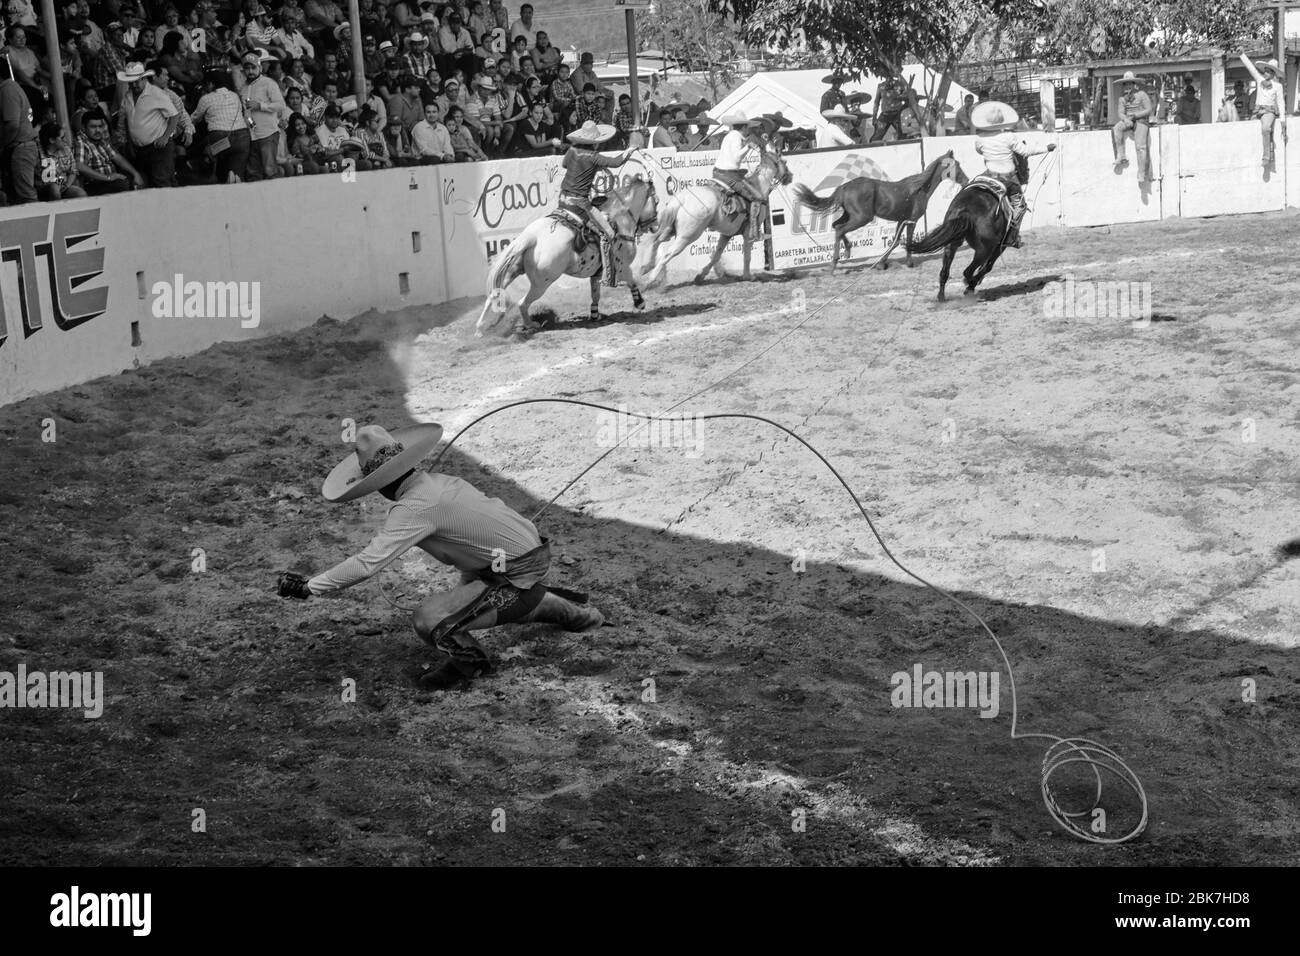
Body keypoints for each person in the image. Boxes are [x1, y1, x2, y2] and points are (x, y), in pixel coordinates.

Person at [275, 424, 604, 691]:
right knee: (474, 599)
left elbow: (367, 563)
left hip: (514, 571)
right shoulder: (437, 483)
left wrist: (310, 586)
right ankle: (573, 612)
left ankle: (472, 662)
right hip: (518, 557)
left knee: (429, 618)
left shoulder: (416, 506)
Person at [971, 100, 1055, 249]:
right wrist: (1046, 148)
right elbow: (1025, 151)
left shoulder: (980, 139)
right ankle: (1011, 236)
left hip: (989, 175)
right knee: (1020, 206)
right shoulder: (1009, 137)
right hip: (1008, 177)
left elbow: (979, 152)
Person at [556, 119, 634, 243]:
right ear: (595, 142)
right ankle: (607, 261)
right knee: (608, 233)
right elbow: (616, 162)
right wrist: (629, 151)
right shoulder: (593, 156)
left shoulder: (572, 150)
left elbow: (565, 164)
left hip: (562, 200)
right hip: (579, 204)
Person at [191, 69, 250, 184]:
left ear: (211, 84)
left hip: (220, 138)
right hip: (242, 137)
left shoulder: (206, 98)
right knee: (237, 175)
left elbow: (194, 119)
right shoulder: (234, 95)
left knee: (205, 153)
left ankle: (209, 180)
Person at [241, 51, 288, 181]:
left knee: (270, 171)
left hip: (268, 133)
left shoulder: (269, 83)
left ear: (260, 68)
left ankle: (276, 199)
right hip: (251, 135)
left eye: (253, 67)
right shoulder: (243, 88)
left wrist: (260, 106)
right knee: (253, 173)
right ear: (243, 70)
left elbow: (280, 105)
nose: (250, 71)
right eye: (247, 68)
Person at [74, 111, 143, 193]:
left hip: (110, 181)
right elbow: (79, 166)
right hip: (95, 184)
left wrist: (135, 173)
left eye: (100, 126)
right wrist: (108, 177)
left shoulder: (101, 140)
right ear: (83, 128)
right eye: (93, 127)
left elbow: (118, 158)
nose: (98, 130)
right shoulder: (81, 142)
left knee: (139, 178)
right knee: (123, 184)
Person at [710, 113, 766, 213]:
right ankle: (752, 227)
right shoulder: (736, 137)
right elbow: (736, 158)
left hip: (718, 172)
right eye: (748, 128)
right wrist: (748, 147)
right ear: (744, 127)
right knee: (755, 197)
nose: (748, 130)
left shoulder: (730, 136)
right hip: (728, 175)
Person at [0, 63, 39, 203]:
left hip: (21, 147)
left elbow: (12, 124)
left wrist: (2, 144)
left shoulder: (7, 89)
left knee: (26, 196)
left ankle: (35, 224)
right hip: (23, 145)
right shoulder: (11, 87)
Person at [1240, 55, 1286, 167]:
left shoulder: (1277, 86)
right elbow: (1251, 68)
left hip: (1268, 111)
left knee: (1265, 128)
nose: (1265, 73)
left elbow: (1281, 103)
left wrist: (1283, 122)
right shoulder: (1260, 80)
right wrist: (1242, 54)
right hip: (1257, 110)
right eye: (1265, 71)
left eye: (1268, 72)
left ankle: (1266, 157)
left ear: (1273, 74)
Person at [1111, 71, 1152, 178]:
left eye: (1129, 83)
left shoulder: (1142, 94)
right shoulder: (1122, 98)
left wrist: (1136, 115)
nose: (1128, 86)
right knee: (1117, 128)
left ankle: (1142, 172)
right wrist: (1125, 119)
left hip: (1141, 121)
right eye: (1125, 84)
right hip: (1129, 120)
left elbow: (1148, 109)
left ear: (1134, 84)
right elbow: (1120, 112)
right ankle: (1121, 155)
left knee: (1140, 146)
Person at [37, 122, 86, 200]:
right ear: (52, 140)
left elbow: (73, 171)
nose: (65, 140)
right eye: (62, 138)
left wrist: (66, 185)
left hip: (63, 186)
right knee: (54, 188)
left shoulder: (66, 149)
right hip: (44, 190)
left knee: (80, 193)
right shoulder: (37, 152)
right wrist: (57, 185)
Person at [871, 75, 907, 143]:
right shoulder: (881, 86)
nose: (888, 75)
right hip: (885, 114)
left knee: (902, 135)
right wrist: (874, 116)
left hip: (897, 113)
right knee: (876, 137)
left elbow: (906, 95)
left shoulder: (899, 84)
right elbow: (876, 101)